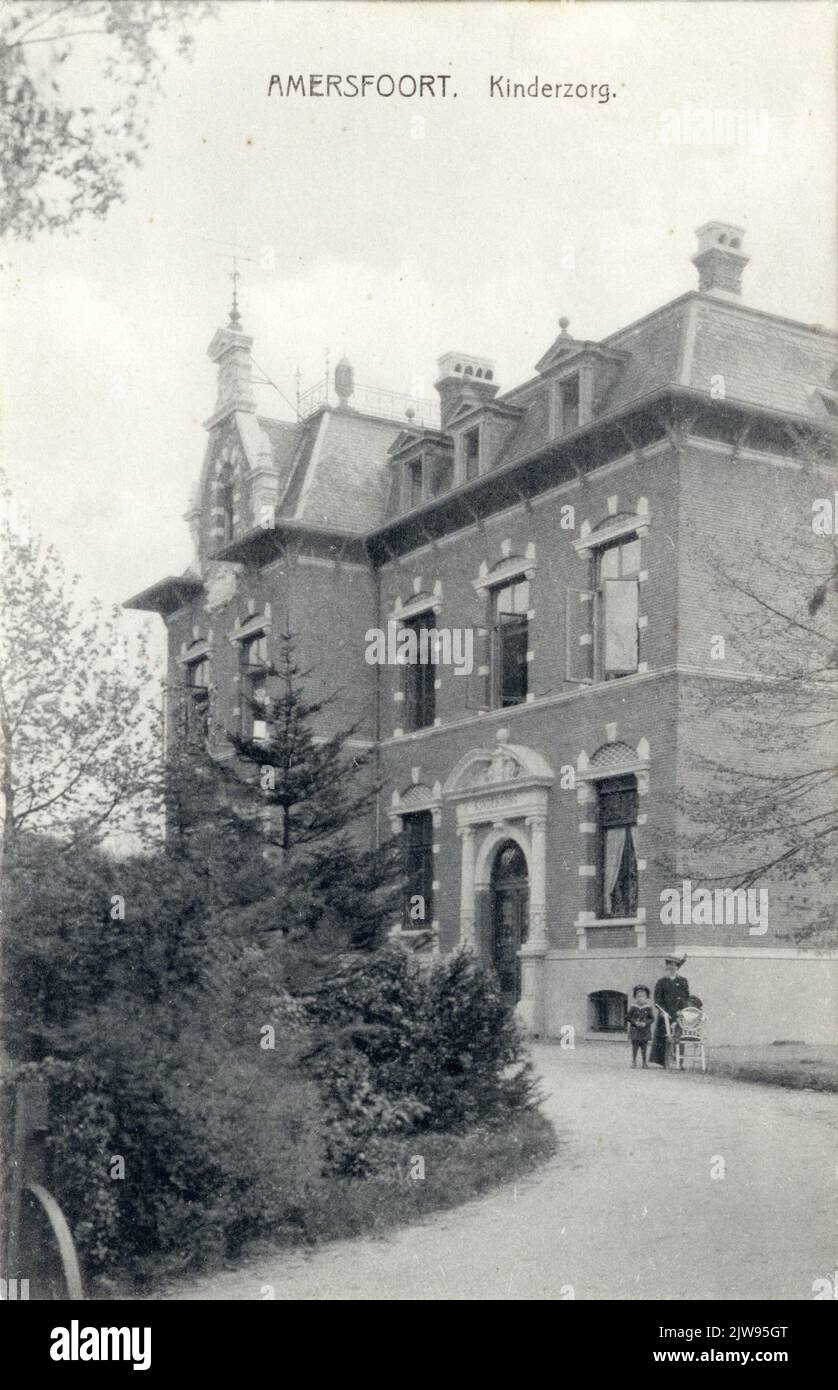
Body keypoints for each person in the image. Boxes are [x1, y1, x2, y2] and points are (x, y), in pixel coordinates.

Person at [650, 955, 690, 1066]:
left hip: (678, 1013)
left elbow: (686, 997)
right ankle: (664, 1061)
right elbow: (657, 1000)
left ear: (677, 967)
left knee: (678, 1036)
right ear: (667, 966)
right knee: (664, 1036)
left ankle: (679, 1062)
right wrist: (663, 1011)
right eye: (670, 964)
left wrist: (682, 1010)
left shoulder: (683, 981)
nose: (672, 967)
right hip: (665, 1013)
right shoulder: (661, 982)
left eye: (674, 965)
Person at [626, 985, 655, 1068]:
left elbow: (652, 1018)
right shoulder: (633, 1007)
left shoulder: (648, 1007)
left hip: (645, 1030)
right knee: (635, 1046)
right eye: (638, 996)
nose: (640, 998)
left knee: (644, 1047)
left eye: (643, 996)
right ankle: (634, 1062)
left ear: (646, 997)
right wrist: (635, 1022)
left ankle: (644, 1062)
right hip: (635, 1030)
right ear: (635, 997)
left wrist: (645, 1023)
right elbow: (627, 1017)